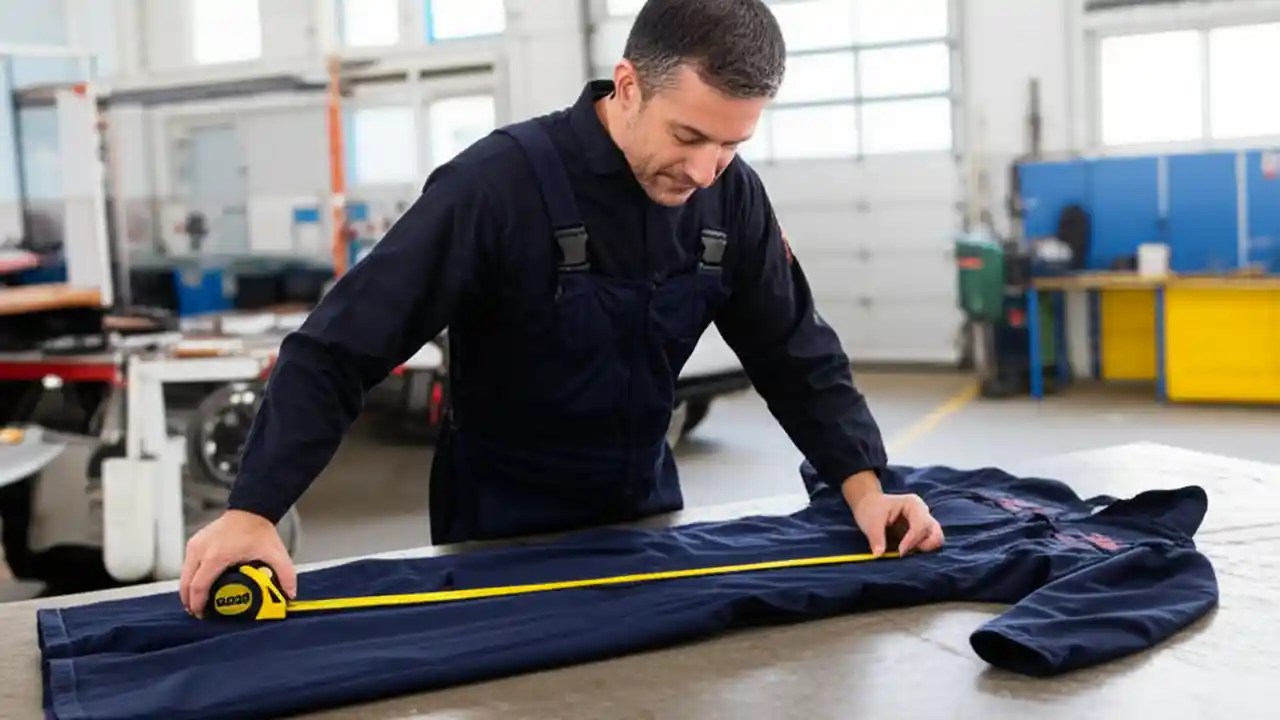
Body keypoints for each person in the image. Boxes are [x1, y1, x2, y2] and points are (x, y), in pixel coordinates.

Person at [180, 0, 945, 617]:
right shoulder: (494, 187)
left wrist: (865, 484)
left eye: (731, 145)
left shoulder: (730, 198)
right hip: (495, 534)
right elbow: (338, 349)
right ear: (628, 84)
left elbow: (794, 350)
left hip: (648, 520)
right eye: (688, 136)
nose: (706, 171)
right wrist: (255, 510)